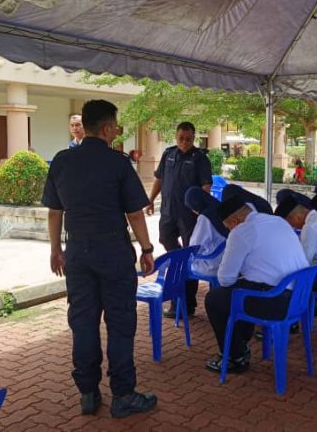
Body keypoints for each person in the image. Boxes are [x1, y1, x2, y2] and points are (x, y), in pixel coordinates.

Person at [42, 99, 157, 418]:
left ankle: (89, 394)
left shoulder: (62, 161)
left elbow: (55, 211)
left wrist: (56, 249)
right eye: (116, 127)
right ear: (107, 128)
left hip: (76, 252)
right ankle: (123, 395)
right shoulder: (118, 163)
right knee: (120, 322)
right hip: (113, 252)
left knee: (83, 323)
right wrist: (147, 250)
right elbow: (134, 212)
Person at [204, 196, 309, 374]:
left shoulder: (242, 232)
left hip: (277, 302)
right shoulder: (278, 221)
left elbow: (225, 279)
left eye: (228, 227)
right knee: (243, 289)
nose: (229, 230)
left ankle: (234, 357)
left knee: (215, 298)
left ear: (235, 221)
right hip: (300, 297)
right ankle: (241, 344)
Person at [147, 122, 213, 318]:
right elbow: (159, 179)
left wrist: (198, 208)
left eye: (189, 139)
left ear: (194, 138)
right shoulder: (168, 154)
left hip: (188, 216)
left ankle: (186, 304)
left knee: (187, 256)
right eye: (181, 138)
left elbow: (206, 185)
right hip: (168, 211)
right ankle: (178, 266)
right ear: (176, 137)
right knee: (167, 242)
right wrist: (150, 200)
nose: (184, 142)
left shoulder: (200, 158)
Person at [185, 187, 229, 278]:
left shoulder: (205, 217)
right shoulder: (223, 208)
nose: (193, 211)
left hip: (213, 264)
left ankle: (183, 292)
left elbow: (195, 246)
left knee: (182, 267)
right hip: (231, 259)